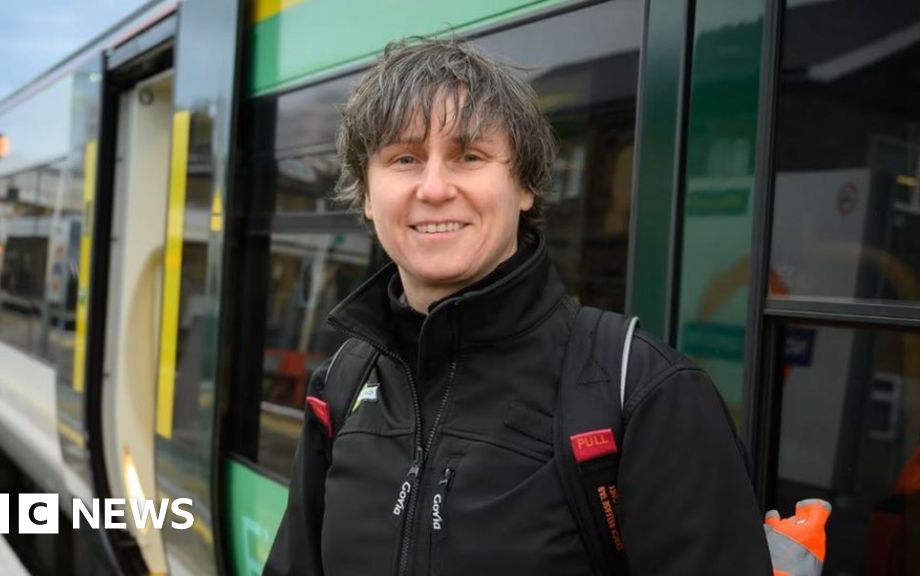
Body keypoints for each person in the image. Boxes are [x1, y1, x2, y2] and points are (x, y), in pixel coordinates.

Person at [264, 38, 772, 576]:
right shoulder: (341, 385)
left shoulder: (643, 392)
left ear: (525, 185)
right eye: (405, 158)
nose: (434, 188)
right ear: (367, 193)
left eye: (470, 156)